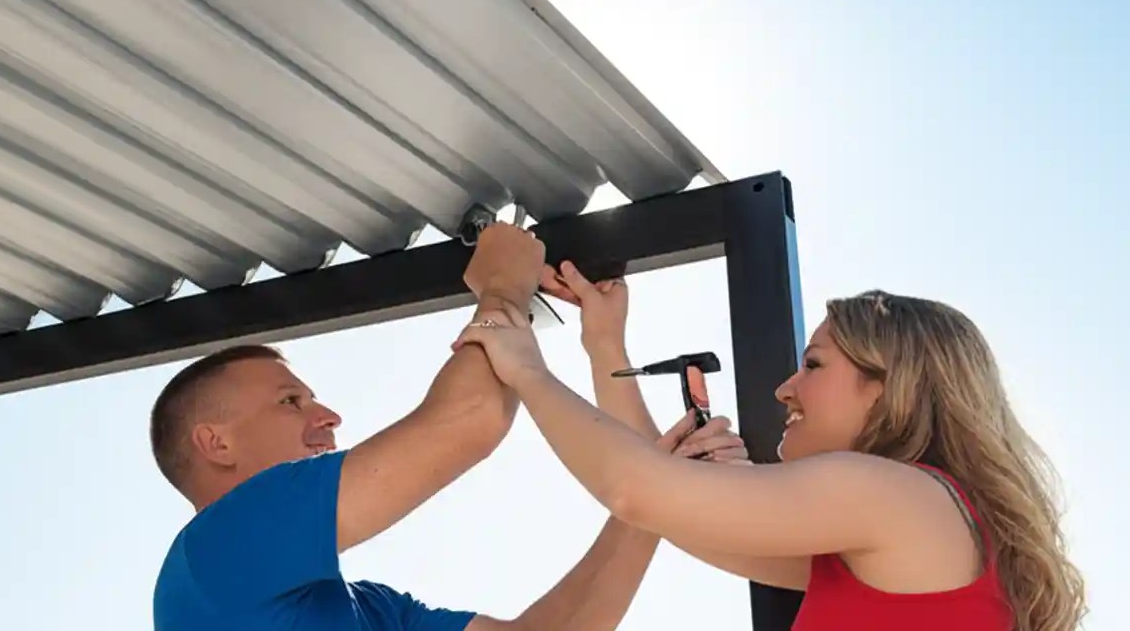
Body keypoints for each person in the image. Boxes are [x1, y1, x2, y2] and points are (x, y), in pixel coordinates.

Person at [148, 223, 749, 630]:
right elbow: (470, 421)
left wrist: (656, 493)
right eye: (289, 401)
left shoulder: (366, 609)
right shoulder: (213, 553)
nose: (328, 416)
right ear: (215, 443)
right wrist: (501, 287)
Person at [457, 266, 1088, 631]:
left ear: (889, 385)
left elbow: (637, 490)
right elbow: (666, 508)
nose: (786, 389)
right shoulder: (913, 527)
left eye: (813, 364)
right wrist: (604, 346)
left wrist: (525, 370)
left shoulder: (896, 496)